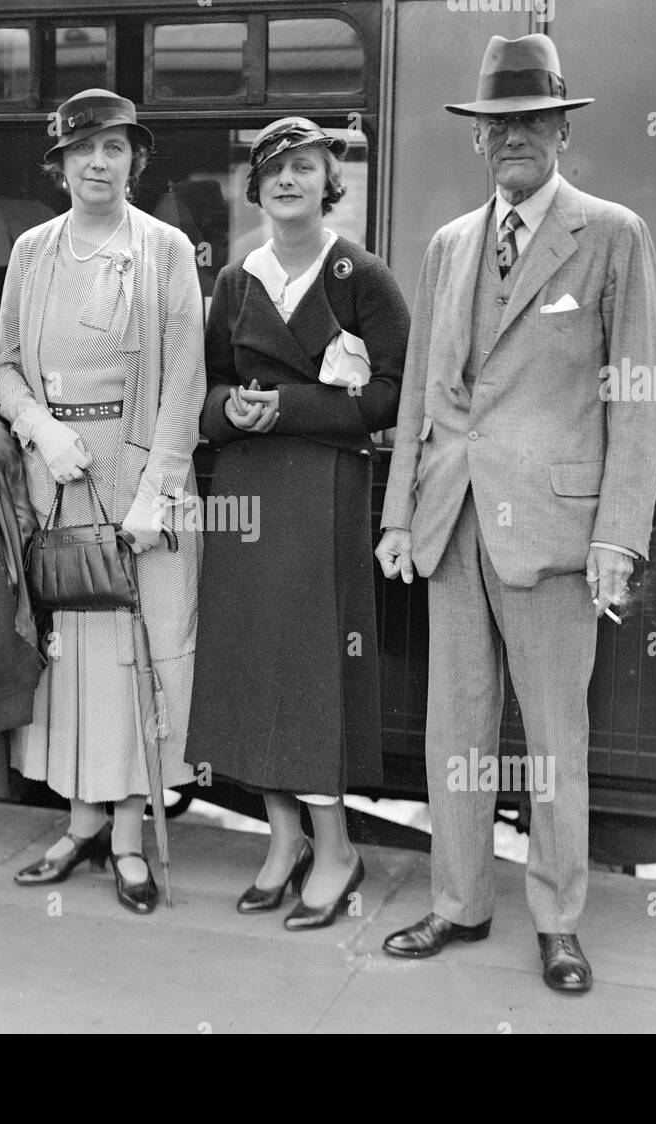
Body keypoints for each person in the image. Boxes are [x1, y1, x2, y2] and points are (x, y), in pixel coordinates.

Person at [374, 35, 656, 991]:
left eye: (532, 121)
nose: (513, 139)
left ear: (562, 132)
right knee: (452, 730)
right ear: (477, 141)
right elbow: (420, 390)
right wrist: (397, 514)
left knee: (552, 737)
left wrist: (619, 536)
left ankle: (558, 919)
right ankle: (459, 903)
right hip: (453, 522)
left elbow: (639, 396)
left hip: (556, 534)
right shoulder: (451, 244)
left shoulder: (611, 233)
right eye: (497, 125)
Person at [186, 118, 409, 930]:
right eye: (274, 170)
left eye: (305, 169)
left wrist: (291, 406)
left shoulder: (361, 275)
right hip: (247, 483)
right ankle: (282, 844)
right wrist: (231, 410)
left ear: (328, 182)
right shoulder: (237, 280)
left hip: (323, 484)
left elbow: (391, 394)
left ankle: (337, 850)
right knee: (252, 658)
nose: (288, 182)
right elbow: (206, 388)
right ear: (257, 186)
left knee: (310, 664)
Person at [0, 90, 205, 915]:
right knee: (71, 660)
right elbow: (6, 365)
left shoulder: (167, 249)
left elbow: (185, 379)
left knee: (135, 658)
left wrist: (158, 493)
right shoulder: (31, 251)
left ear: (133, 161)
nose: (97, 163)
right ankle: (79, 822)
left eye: (114, 149)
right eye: (83, 150)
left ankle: (125, 836)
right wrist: (39, 429)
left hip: (139, 482)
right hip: (59, 483)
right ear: (59, 165)